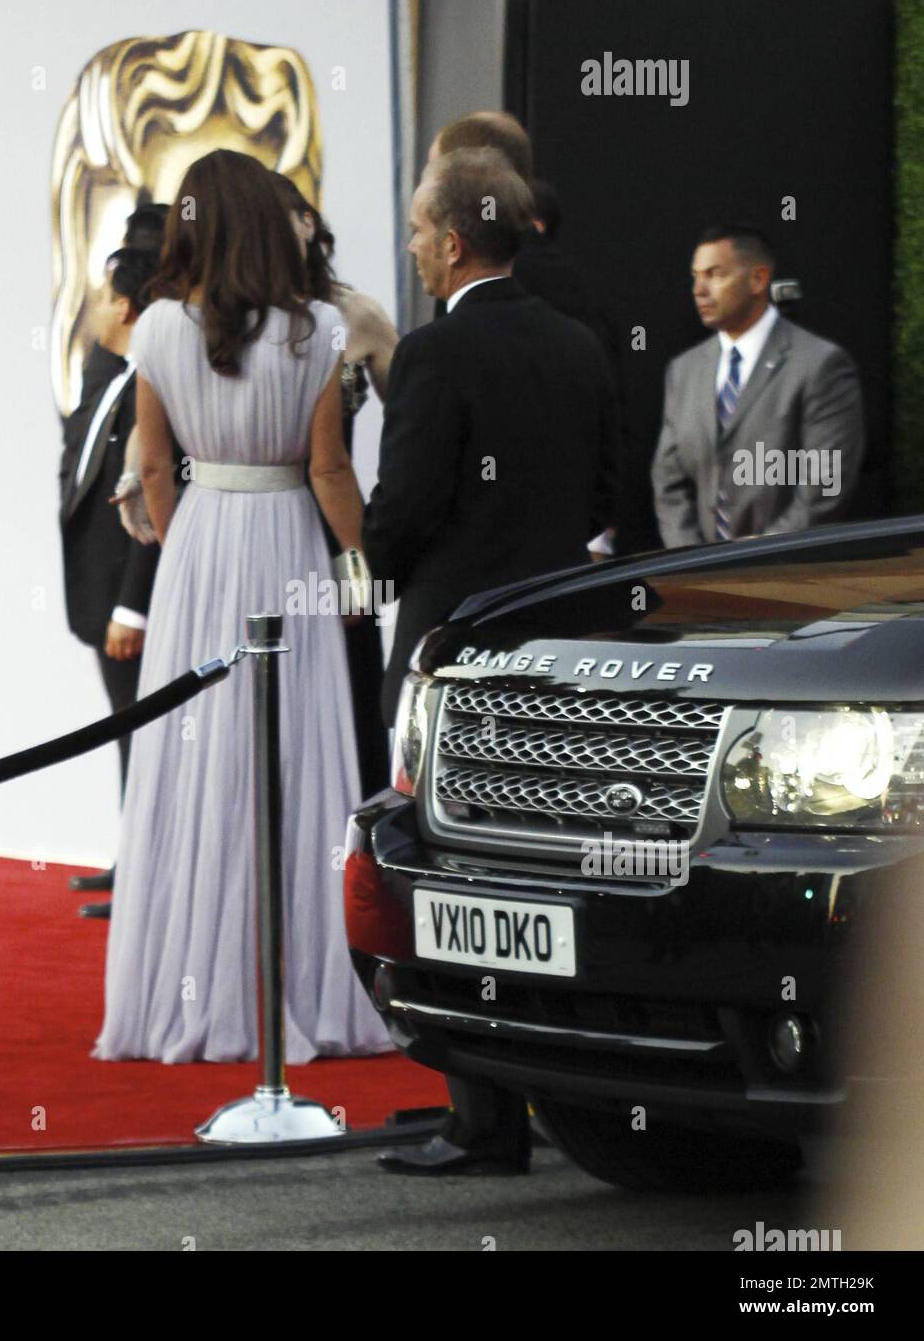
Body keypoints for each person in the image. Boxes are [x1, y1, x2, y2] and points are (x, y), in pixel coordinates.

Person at [93, 149, 392, 1064]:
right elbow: (330, 469)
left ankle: (181, 994)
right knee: (299, 760)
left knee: (194, 763)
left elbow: (150, 470)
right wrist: (363, 568)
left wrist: (190, 551)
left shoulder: (156, 330)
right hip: (290, 543)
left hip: (199, 546)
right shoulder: (314, 332)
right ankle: (313, 991)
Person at [366, 146, 617, 1174]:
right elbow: (606, 500)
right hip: (560, 652)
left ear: (455, 240)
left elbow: (398, 526)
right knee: (539, 879)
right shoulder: (579, 344)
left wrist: (365, 532)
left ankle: (481, 1120)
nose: (415, 249)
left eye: (422, 233)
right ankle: (553, 1098)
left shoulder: (434, 354)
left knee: (448, 880)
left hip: (450, 655)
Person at [427, 111, 622, 556]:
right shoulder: (574, 283)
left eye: (432, 172)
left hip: (496, 560)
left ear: (467, 172)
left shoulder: (489, 288)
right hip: (562, 546)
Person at [270, 171, 398, 798]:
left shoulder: (356, 315)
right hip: (260, 523)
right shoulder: (233, 317)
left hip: (336, 529)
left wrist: (370, 545)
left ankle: (356, 867)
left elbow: (414, 425)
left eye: (295, 218)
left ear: (313, 226)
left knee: (351, 695)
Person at [652, 224, 865, 545]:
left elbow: (825, 486)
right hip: (699, 581)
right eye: (696, 276)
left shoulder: (820, 364)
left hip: (783, 579)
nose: (699, 289)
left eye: (715, 274)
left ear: (758, 279)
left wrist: (755, 560)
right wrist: (691, 560)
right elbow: (669, 481)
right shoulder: (684, 371)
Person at [59, 246, 161, 917]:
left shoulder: (150, 388)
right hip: (99, 598)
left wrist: (133, 606)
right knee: (128, 736)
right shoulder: (111, 376)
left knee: (146, 740)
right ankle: (134, 861)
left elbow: (151, 503)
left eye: (101, 295)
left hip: (129, 606)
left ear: (125, 306)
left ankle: (149, 874)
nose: (91, 305)